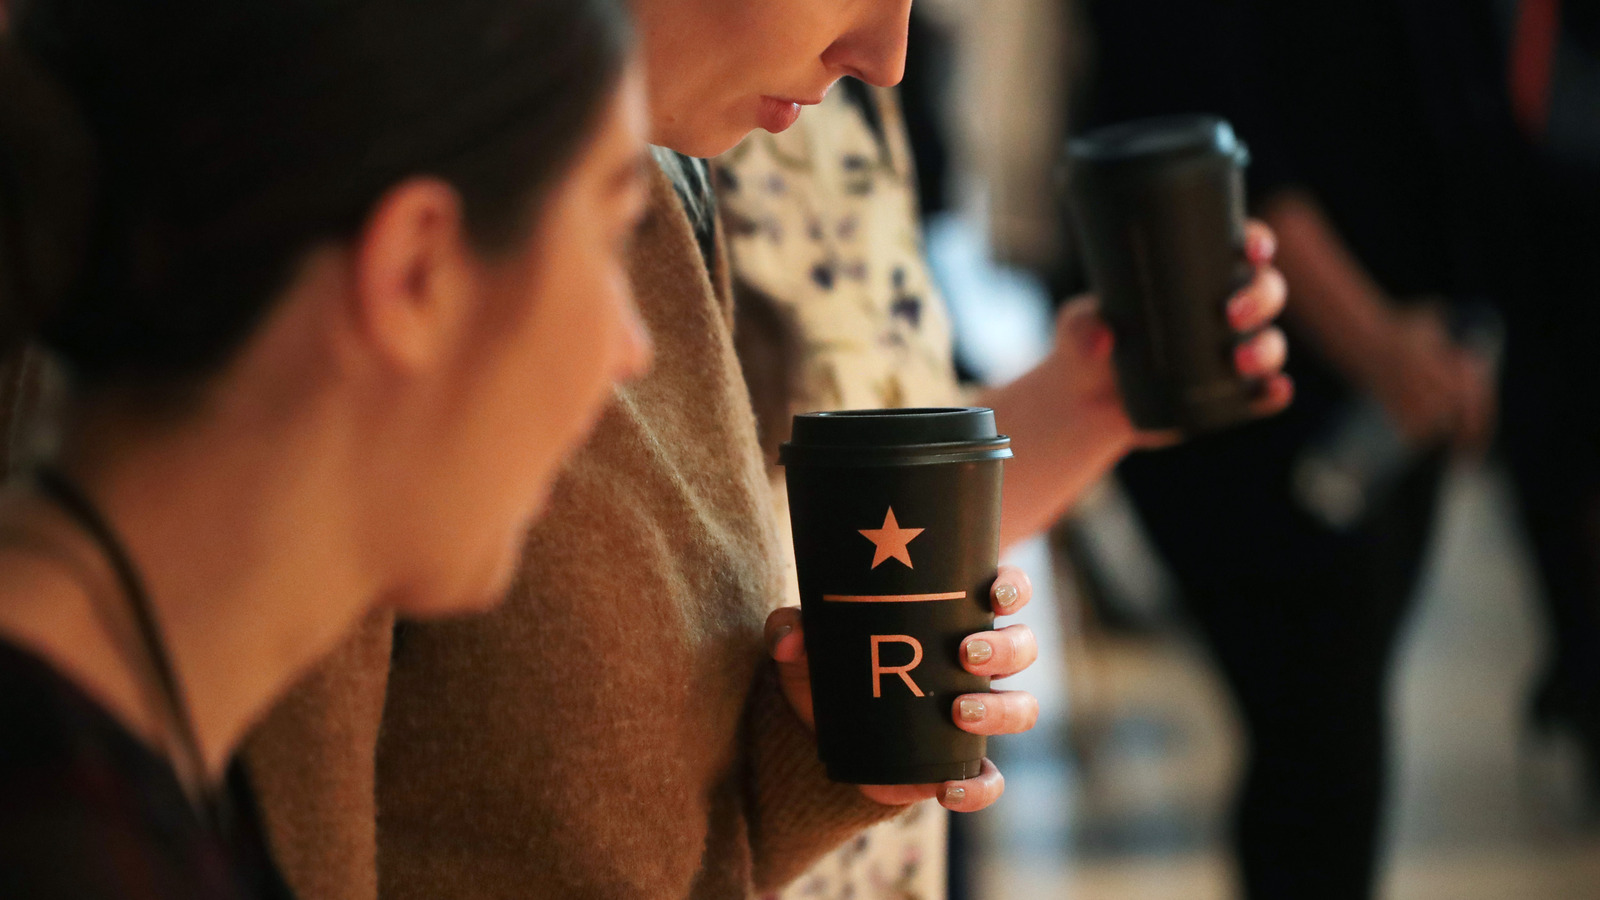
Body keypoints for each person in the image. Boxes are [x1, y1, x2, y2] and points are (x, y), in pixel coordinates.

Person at [0, 0, 647, 896]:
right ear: (417, 270)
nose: (632, 348)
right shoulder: (57, 834)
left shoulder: (138, 752)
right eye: (614, 235)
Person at [716, 80, 1292, 900]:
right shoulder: (599, 125)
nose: (893, 57)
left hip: (877, 847)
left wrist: (1091, 401)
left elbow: (884, 509)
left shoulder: (837, 97)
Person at [1078, 1, 1498, 897]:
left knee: (1336, 738)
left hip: (1409, 366)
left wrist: (1475, 335)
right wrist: (1381, 344)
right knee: (1319, 747)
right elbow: (1206, 127)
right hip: (1242, 385)